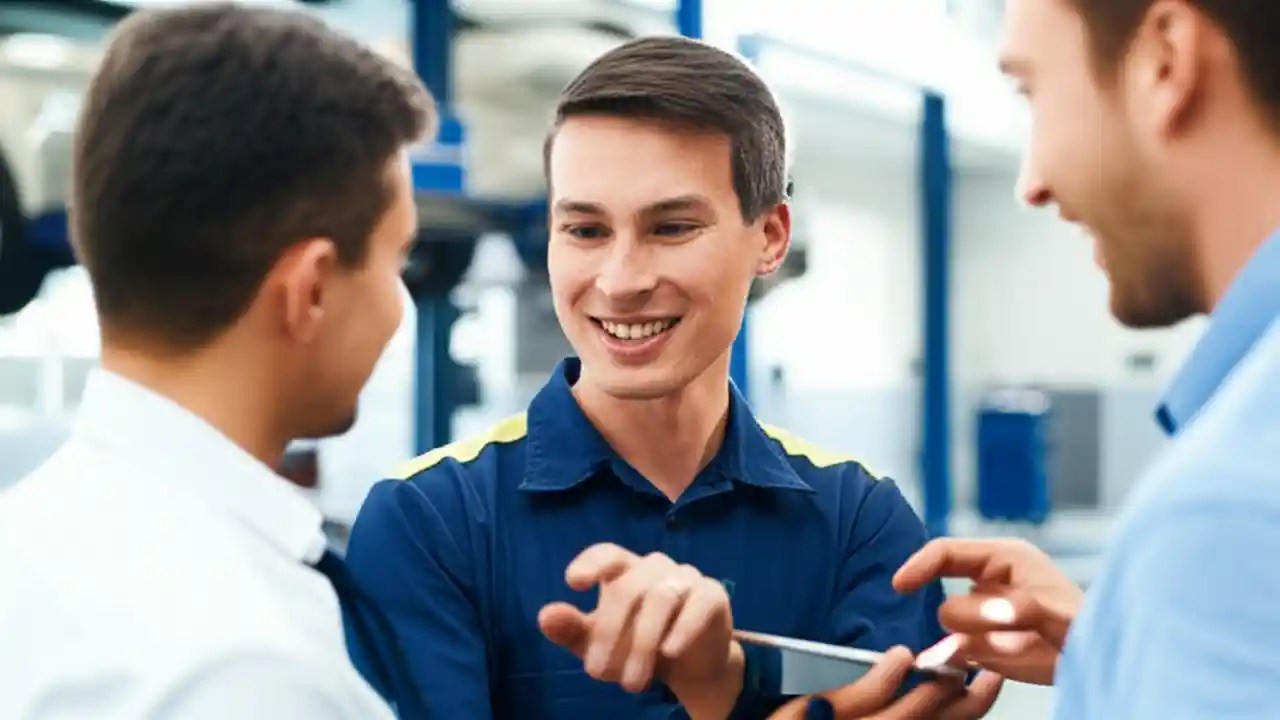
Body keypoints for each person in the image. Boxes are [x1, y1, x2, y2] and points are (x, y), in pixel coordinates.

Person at [344, 36, 971, 719]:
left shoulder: (859, 521)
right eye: (585, 231)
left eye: (671, 228)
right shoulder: (430, 523)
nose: (620, 281)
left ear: (770, 236)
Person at [0, 3, 434, 718]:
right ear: (311, 290)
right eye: (399, 260)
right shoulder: (249, 669)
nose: (401, 307)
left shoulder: (23, 546)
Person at [887, 0, 1280, 718]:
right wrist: (1119, 646)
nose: (1031, 182)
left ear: (1166, 62)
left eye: (1032, 90)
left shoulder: (1227, 510)